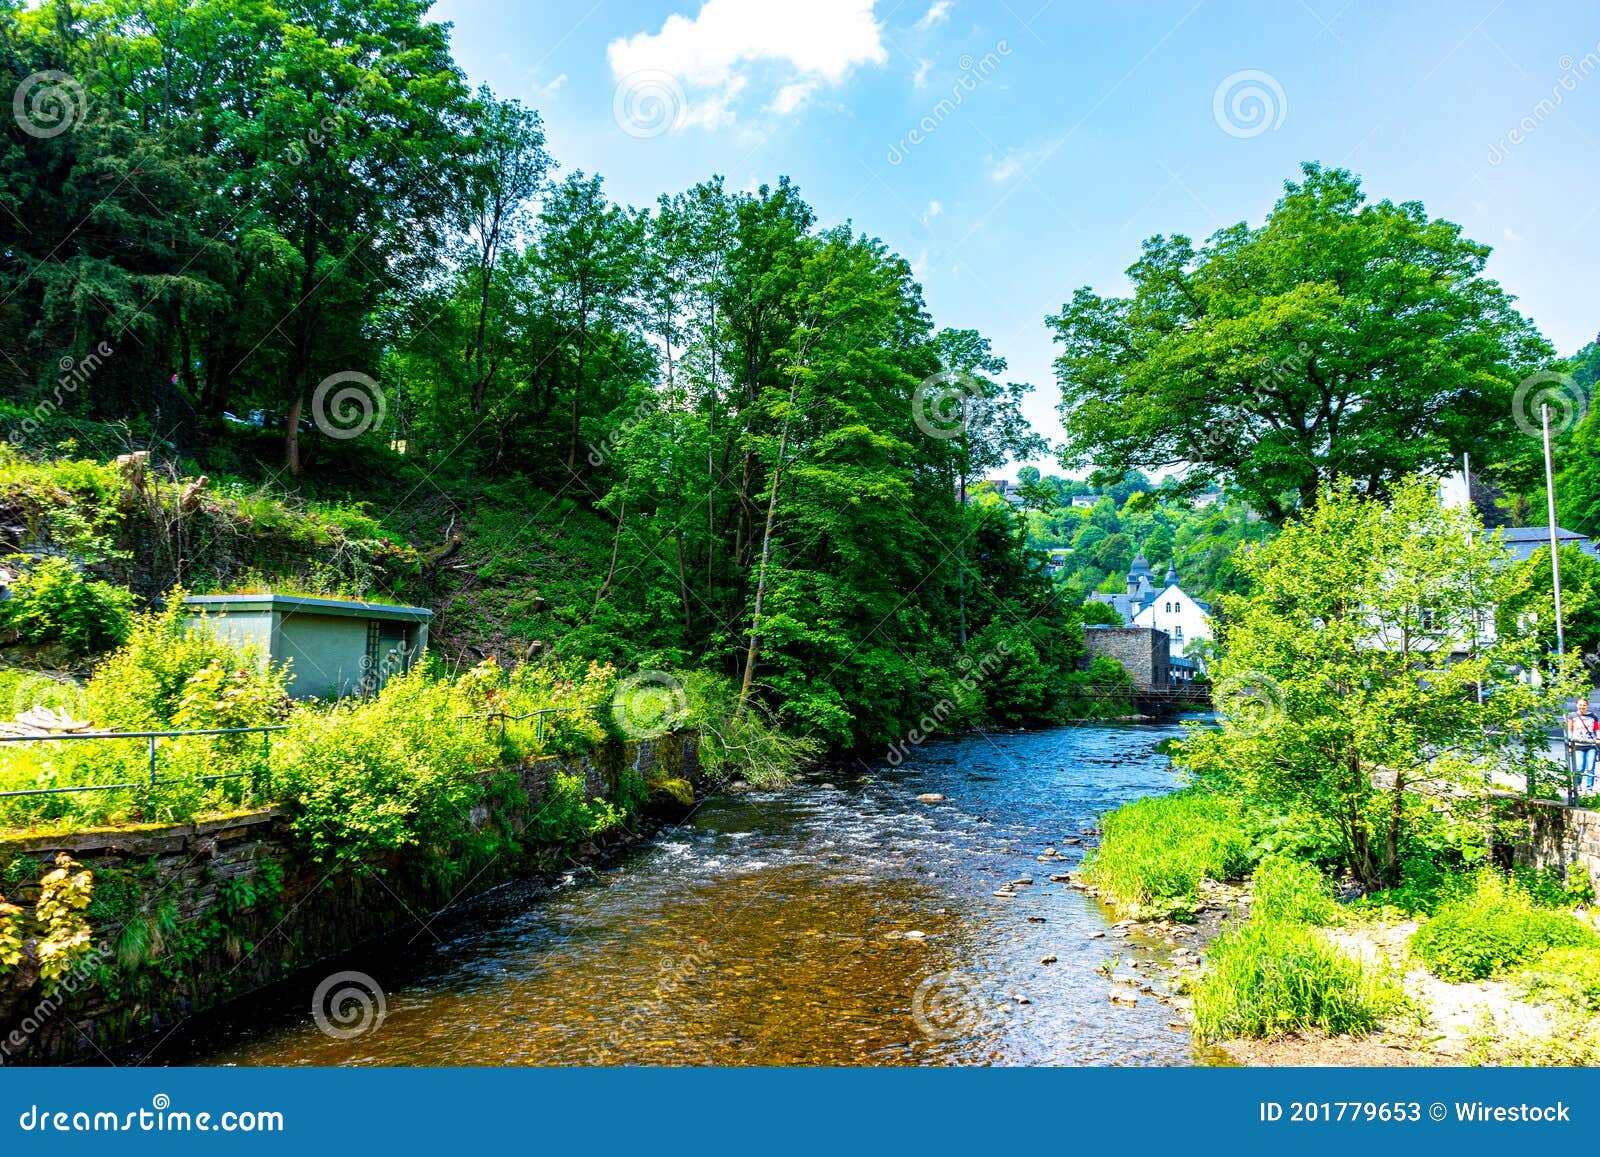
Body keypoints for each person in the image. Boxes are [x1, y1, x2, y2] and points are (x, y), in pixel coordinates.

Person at [1566, 698, 1599, 795]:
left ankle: (1589, 789)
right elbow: (1570, 730)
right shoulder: (1572, 716)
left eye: (1584, 705)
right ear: (1576, 705)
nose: (1582, 707)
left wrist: (1598, 738)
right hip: (1578, 745)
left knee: (1590, 768)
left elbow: (1597, 729)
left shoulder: (1593, 716)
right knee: (1580, 767)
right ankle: (1578, 785)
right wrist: (1570, 744)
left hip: (1591, 744)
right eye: (1580, 705)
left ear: (1587, 705)